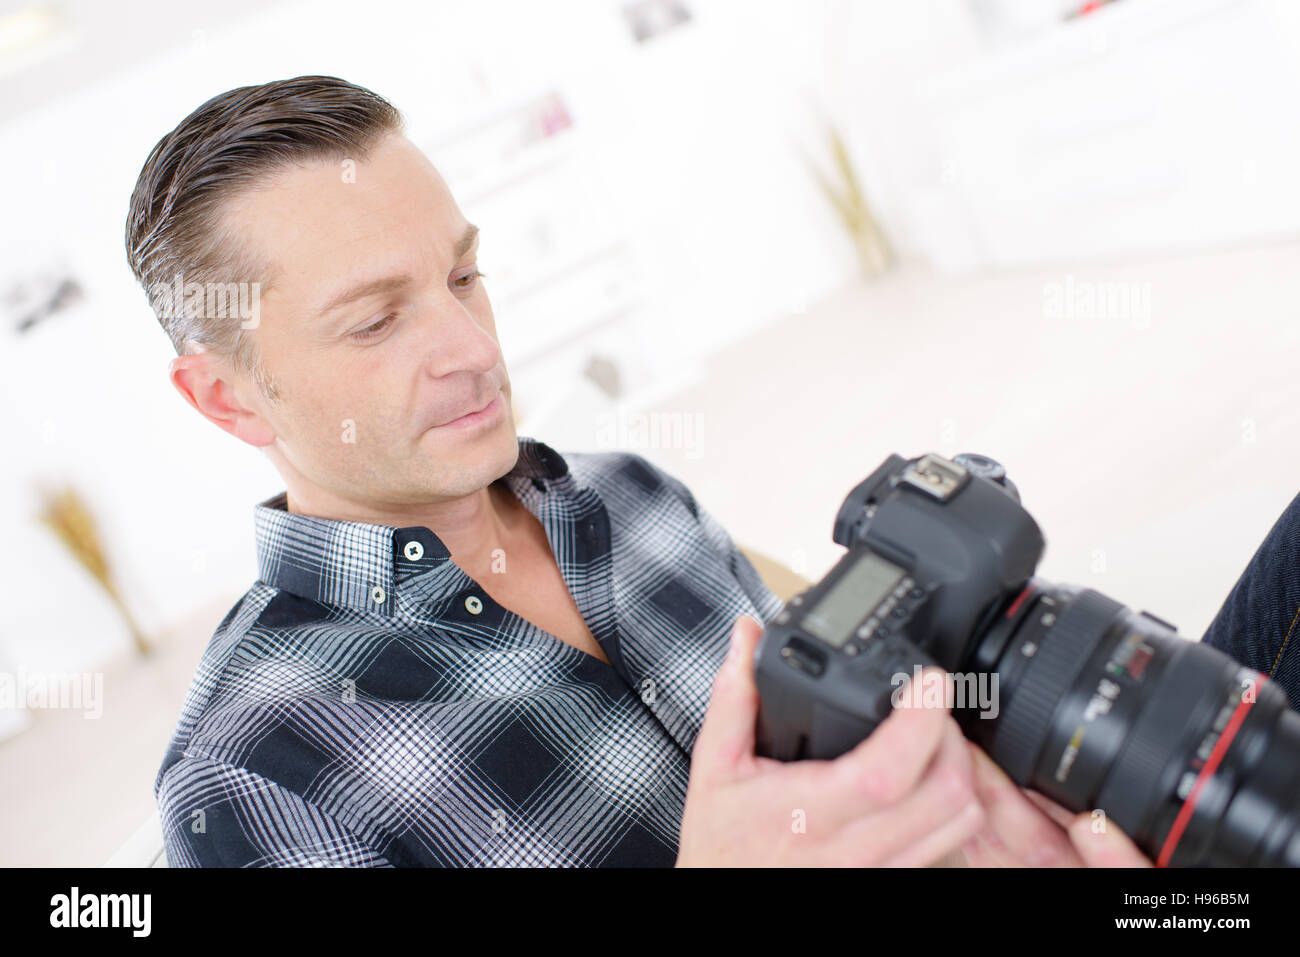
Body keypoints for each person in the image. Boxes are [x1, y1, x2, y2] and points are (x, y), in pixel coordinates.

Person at [127, 75, 1149, 867]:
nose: (472, 347)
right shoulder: (254, 777)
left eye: (463, 276)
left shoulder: (629, 497)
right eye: (376, 319)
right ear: (226, 396)